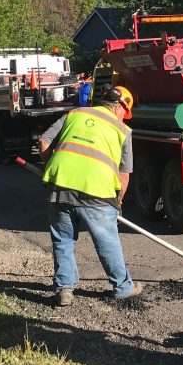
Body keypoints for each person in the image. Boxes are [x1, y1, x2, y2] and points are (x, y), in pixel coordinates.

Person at [37, 85, 142, 307]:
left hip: (60, 185)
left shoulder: (74, 113)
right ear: (120, 107)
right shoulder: (123, 131)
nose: (125, 117)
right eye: (126, 112)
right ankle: (123, 288)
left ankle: (64, 289)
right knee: (106, 240)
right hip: (98, 191)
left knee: (63, 240)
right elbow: (124, 174)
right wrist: (118, 201)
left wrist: (51, 168)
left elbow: (44, 142)